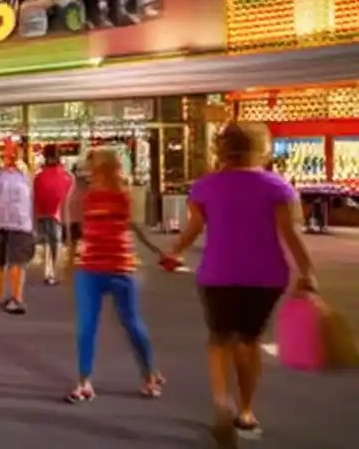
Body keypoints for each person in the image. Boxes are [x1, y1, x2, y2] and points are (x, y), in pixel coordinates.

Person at [169, 123, 317, 445]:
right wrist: (306, 272)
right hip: (265, 277)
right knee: (249, 341)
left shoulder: (205, 187)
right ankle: (246, 411)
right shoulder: (278, 188)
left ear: (221, 149)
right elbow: (290, 235)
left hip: (218, 274)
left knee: (220, 338)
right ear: (261, 147)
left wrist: (175, 251)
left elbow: (194, 229)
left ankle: (222, 402)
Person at [65, 148, 165, 404]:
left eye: (93, 169)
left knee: (132, 324)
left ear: (105, 169)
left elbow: (135, 228)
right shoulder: (85, 197)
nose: (89, 174)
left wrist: (159, 252)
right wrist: (70, 262)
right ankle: (84, 381)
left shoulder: (124, 196)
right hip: (90, 268)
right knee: (86, 328)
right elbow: (78, 232)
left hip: (120, 267)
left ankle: (149, 373)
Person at [0, 147, 35, 314]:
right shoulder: (27, 176)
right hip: (18, 223)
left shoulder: (0, 176)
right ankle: (14, 297)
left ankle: (3, 296)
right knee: (13, 262)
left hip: (3, 223)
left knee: (2, 262)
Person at [33, 144, 74, 286]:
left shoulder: (39, 176)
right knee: (55, 243)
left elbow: (35, 196)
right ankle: (52, 274)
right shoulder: (65, 175)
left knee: (47, 244)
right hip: (57, 214)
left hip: (44, 213)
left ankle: (49, 273)